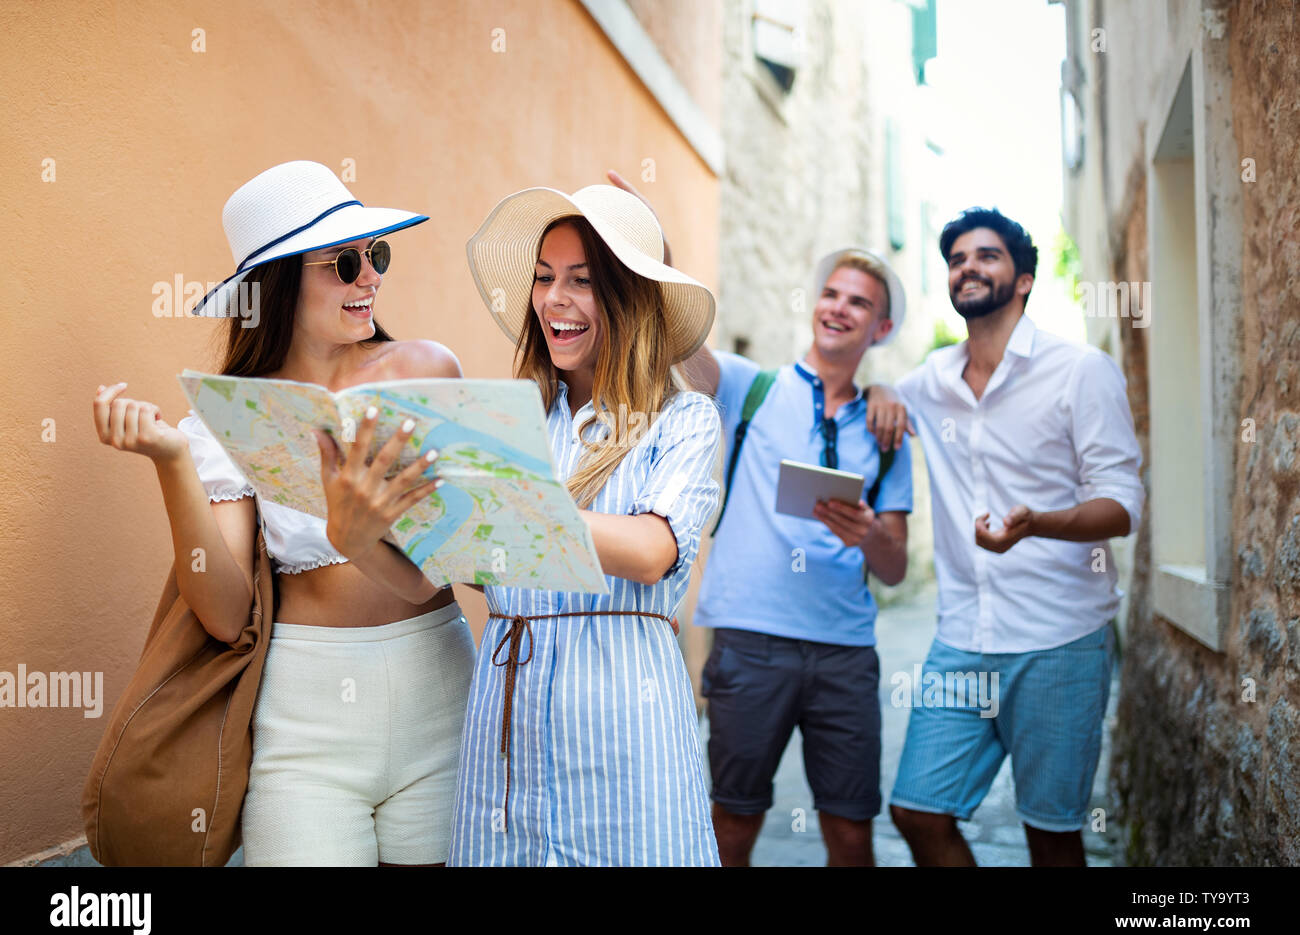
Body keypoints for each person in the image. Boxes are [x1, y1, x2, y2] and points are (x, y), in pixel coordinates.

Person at [91, 160, 475, 866]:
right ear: (280, 283)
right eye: (345, 263)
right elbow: (227, 614)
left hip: (440, 694)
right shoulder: (227, 416)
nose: (371, 278)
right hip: (306, 717)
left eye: (376, 256)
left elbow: (448, 558)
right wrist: (173, 461)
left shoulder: (424, 369)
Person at [446, 184, 723, 866]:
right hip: (506, 721)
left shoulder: (682, 419)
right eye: (542, 280)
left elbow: (656, 550)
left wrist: (517, 499)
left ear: (627, 299)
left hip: (625, 718)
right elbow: (494, 579)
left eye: (581, 282)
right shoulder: (512, 424)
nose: (552, 300)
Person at [875, 207, 1143, 866]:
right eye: (957, 259)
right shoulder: (930, 380)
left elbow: (1122, 506)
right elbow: (876, 391)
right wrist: (880, 383)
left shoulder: (1080, 371)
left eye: (986, 256)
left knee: (1050, 834)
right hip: (962, 635)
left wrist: (1037, 526)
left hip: (1060, 638)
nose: (967, 267)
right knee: (916, 811)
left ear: (1023, 279)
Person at [684, 247, 913, 866]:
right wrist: (657, 257)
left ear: (881, 329)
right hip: (749, 642)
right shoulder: (745, 388)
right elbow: (677, 340)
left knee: (850, 833)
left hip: (845, 653)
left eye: (859, 302)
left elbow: (895, 568)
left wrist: (867, 532)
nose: (839, 308)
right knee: (732, 821)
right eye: (832, 294)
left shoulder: (888, 429)